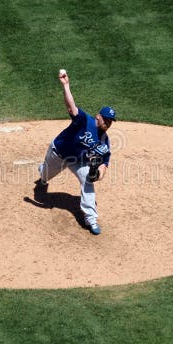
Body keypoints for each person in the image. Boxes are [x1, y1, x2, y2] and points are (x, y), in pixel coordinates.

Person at [36, 69, 116, 235]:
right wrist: (66, 85)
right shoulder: (84, 120)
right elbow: (72, 108)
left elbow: (104, 165)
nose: (108, 123)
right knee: (44, 176)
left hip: (78, 161)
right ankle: (42, 171)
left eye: (110, 121)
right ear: (98, 116)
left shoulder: (105, 141)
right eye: (106, 119)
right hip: (58, 153)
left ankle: (91, 219)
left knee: (88, 181)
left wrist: (96, 174)